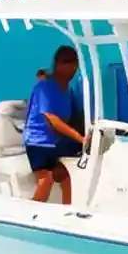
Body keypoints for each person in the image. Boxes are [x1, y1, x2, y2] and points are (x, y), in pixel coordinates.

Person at [23, 45, 86, 204]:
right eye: (66, 62)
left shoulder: (68, 91)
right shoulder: (45, 88)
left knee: (65, 176)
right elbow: (52, 119)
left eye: (74, 63)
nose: (71, 67)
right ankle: (31, 213)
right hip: (38, 142)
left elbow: (76, 116)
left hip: (56, 143)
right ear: (57, 64)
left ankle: (67, 212)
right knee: (46, 178)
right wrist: (80, 138)